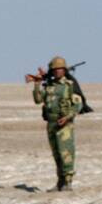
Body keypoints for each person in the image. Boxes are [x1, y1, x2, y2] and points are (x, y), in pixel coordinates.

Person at [29, 56, 83, 191]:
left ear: (64, 70)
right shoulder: (49, 87)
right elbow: (37, 100)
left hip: (64, 124)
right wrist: (37, 84)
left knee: (66, 153)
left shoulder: (69, 86)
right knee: (56, 154)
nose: (58, 71)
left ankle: (68, 182)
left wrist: (67, 117)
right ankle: (60, 182)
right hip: (51, 123)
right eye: (55, 69)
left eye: (60, 69)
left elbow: (78, 105)